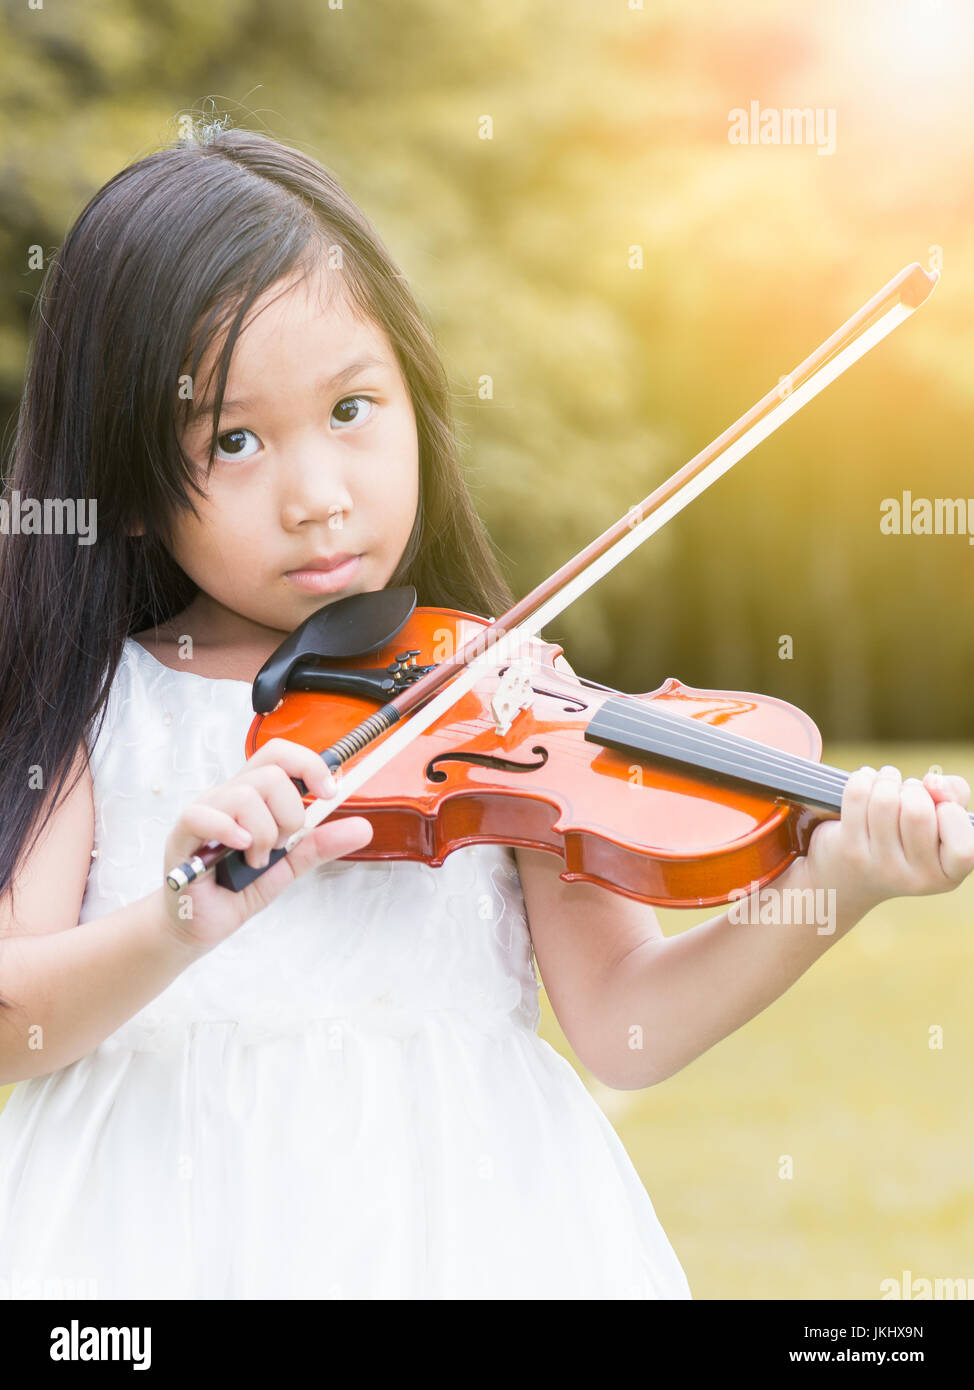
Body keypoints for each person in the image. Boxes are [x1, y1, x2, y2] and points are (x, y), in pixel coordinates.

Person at [0, 122, 971, 1302]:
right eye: (236, 440)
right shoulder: (102, 705)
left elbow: (626, 1026)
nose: (318, 497)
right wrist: (170, 926)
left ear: (414, 394)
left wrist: (840, 882)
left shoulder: (503, 698)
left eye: (352, 410)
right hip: (155, 1235)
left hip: (466, 1228)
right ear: (132, 486)